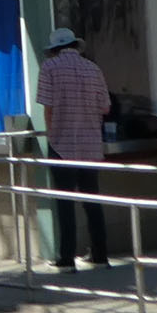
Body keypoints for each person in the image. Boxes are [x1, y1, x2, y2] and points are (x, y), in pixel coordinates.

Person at [33, 31, 114, 270]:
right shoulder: (93, 69)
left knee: (65, 202)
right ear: (75, 45)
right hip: (91, 143)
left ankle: (66, 258)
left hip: (62, 144)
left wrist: (51, 135)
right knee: (92, 200)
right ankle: (100, 255)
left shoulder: (49, 68)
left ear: (55, 49)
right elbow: (106, 108)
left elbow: (47, 108)